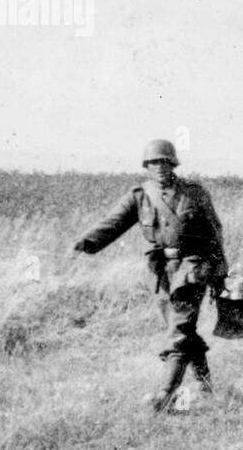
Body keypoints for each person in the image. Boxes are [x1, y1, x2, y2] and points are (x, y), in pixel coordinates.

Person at [74, 139, 227, 413]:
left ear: (173, 164)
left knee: (179, 330)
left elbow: (215, 233)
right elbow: (113, 223)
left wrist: (219, 272)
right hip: (161, 272)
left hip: (192, 268)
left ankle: (165, 395)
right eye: (154, 162)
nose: (159, 167)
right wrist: (86, 243)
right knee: (182, 330)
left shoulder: (194, 193)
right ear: (146, 166)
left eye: (165, 162)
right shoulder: (139, 195)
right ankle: (207, 389)